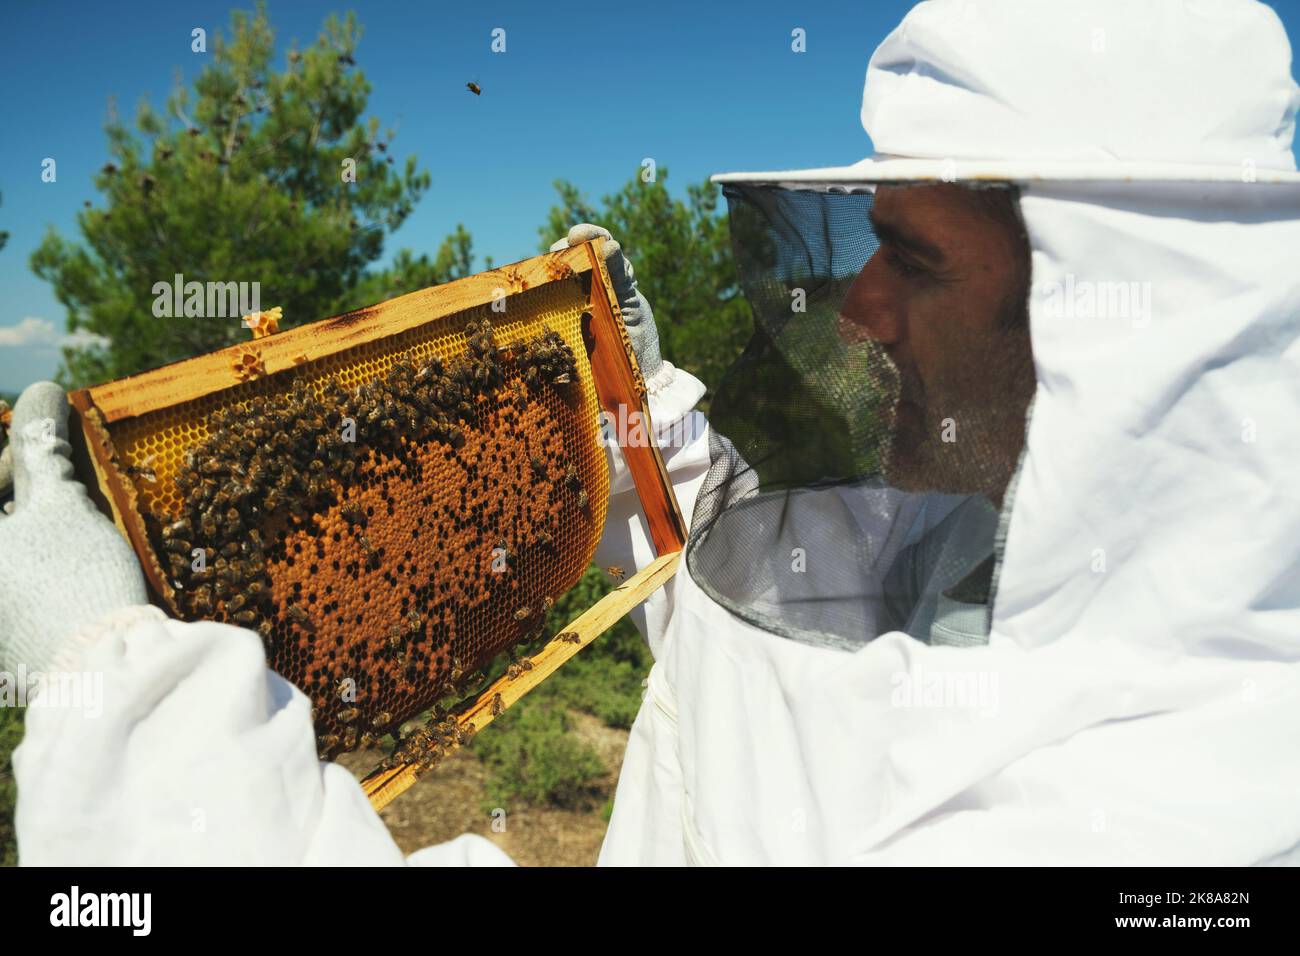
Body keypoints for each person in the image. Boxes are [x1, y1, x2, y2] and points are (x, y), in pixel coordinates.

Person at [5, 0, 1300, 866]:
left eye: (909, 254)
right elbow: (781, 609)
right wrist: (636, 396)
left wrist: (116, 699)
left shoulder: (1173, 819)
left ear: (1098, 310)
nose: (858, 304)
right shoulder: (996, 540)